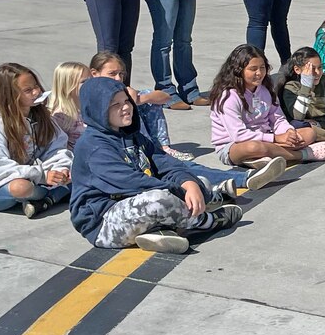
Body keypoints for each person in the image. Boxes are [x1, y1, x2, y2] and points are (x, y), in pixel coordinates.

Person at [69, 77, 243, 254]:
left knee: (197, 182)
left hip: (134, 205)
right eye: (115, 105)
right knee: (160, 200)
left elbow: (166, 163)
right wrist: (181, 193)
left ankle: (161, 230)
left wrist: (188, 185)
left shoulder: (131, 135)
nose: (126, 107)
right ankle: (207, 221)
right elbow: (134, 182)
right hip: (103, 223)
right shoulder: (93, 147)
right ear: (98, 110)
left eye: (126, 101)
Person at [92, 51, 284, 195]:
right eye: (112, 74)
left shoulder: (127, 95)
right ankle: (224, 188)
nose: (118, 78)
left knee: (184, 169)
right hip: (125, 164)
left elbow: (164, 97)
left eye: (121, 74)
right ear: (94, 74)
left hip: (144, 151)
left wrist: (139, 100)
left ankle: (225, 186)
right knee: (174, 179)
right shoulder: (92, 107)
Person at [0, 63, 72, 218]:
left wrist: (61, 168)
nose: (36, 92)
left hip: (29, 177)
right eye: (28, 90)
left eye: (36, 86)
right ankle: (52, 196)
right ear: (10, 96)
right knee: (21, 188)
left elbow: (57, 147)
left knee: (79, 172)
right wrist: (43, 175)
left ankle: (43, 200)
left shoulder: (39, 115)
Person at [210, 44, 325, 165]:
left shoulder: (265, 90)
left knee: (309, 133)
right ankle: (302, 155)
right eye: (253, 69)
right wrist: (275, 138)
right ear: (238, 70)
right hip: (235, 145)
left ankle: (262, 157)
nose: (259, 73)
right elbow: (238, 135)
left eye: (262, 68)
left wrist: (289, 132)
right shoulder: (228, 96)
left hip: (268, 138)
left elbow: (278, 118)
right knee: (254, 148)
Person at [48, 60, 90, 150]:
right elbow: (58, 148)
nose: (90, 84)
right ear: (68, 86)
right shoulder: (60, 116)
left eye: (91, 80)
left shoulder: (88, 105)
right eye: (84, 81)